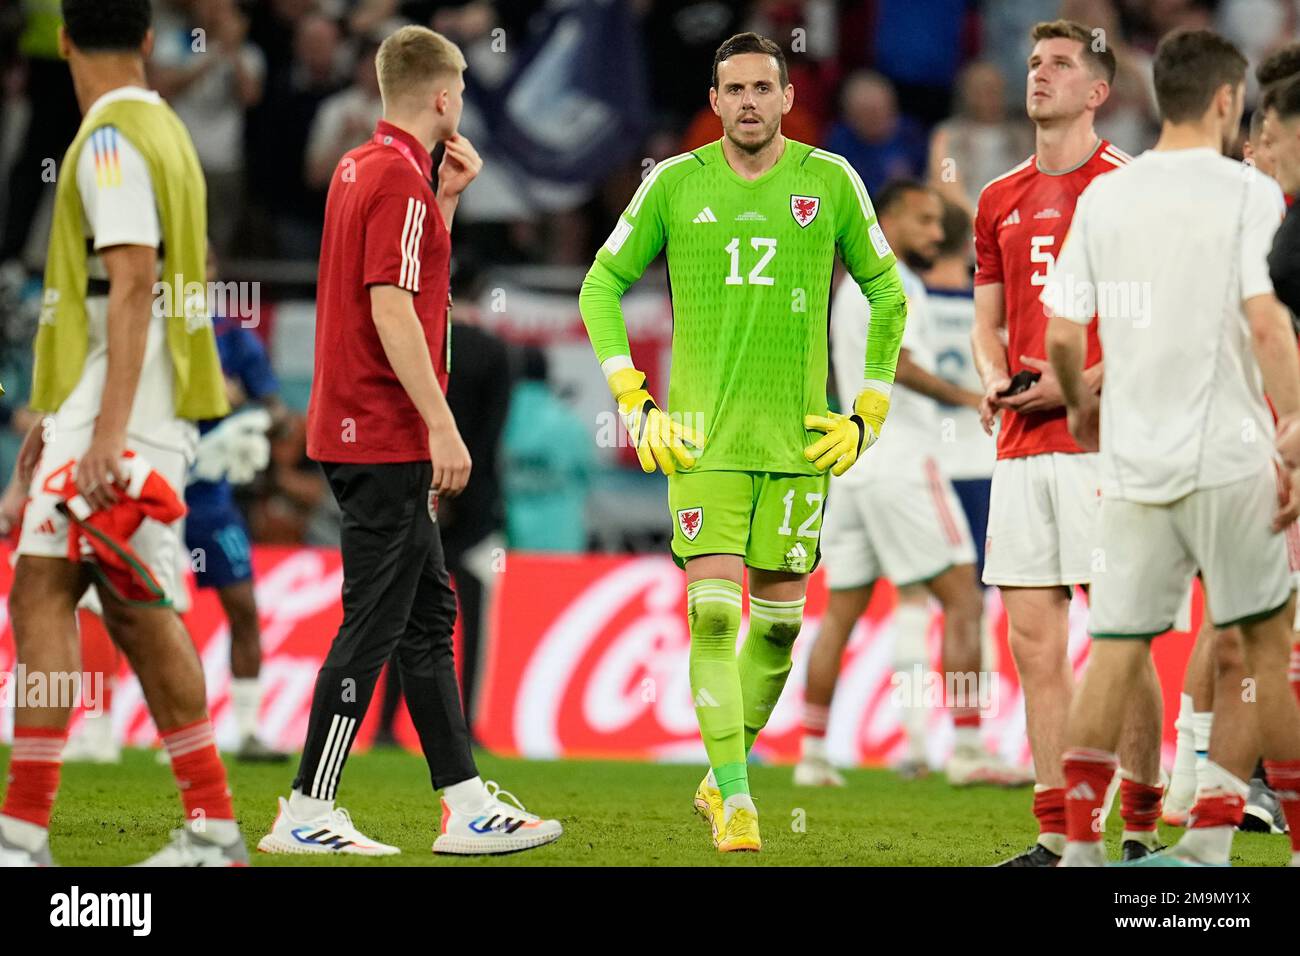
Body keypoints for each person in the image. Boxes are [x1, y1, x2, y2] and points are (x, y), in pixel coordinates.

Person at [579, 31, 907, 853]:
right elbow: (600, 284)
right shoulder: (673, 185)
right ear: (715, 100)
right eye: (736, 89)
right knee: (716, 621)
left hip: (800, 442)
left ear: (789, 98)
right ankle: (737, 797)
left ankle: (720, 774)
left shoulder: (829, 181)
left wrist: (868, 405)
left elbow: (888, 293)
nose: (751, 101)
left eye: (766, 87)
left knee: (779, 630)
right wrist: (632, 396)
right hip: (700, 440)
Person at [258, 24, 562, 858]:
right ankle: (306, 811)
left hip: (354, 426)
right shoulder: (395, 177)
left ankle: (465, 805)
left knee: (428, 617)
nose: (461, 103)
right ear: (441, 96)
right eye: (459, 91)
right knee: (377, 623)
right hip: (382, 433)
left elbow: (402, 284)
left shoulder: (365, 167)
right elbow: (393, 308)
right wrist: (440, 423)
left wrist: (449, 204)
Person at [0, 0, 245, 867]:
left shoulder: (104, 140)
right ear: (147, 40)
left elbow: (132, 281)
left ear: (63, 39)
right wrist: (56, 429)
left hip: (125, 402)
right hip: (134, 397)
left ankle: (26, 837)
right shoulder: (169, 131)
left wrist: (102, 434)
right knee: (119, 605)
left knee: (53, 592)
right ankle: (208, 829)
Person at [1049, 28, 1300, 868]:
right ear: (1230, 102)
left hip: (1132, 465)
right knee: (1261, 652)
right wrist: (1295, 440)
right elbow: (1267, 323)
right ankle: (1244, 841)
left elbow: (1059, 333)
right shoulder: (1248, 194)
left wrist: (1083, 406)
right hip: (1232, 460)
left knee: (1116, 651)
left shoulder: (1104, 196)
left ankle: (1090, 850)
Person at [970, 19, 1164, 867]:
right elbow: (987, 319)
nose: (1038, 75)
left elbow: (1154, 319)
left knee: (1118, 635)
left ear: (1098, 92)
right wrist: (988, 376)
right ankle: (1054, 835)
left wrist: (1082, 382)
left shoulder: (1126, 187)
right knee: (1033, 644)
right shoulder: (995, 197)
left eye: (1058, 65)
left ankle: (1141, 830)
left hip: (1100, 441)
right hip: (1018, 444)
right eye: (1033, 63)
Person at [795, 180, 1030, 789]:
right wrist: (972, 397)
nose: (935, 234)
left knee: (841, 611)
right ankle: (971, 749)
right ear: (890, 216)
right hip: (901, 460)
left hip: (851, 466)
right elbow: (896, 366)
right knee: (964, 600)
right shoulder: (889, 280)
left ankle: (813, 756)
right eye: (925, 221)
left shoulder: (852, 287)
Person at [184, 247, 288, 762]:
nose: (197, 274)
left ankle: (247, 730)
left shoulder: (228, 333)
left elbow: (276, 409)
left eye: (204, 266)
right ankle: (105, 728)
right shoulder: (143, 323)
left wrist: (248, 413)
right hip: (148, 485)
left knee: (243, 606)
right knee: (132, 614)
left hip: (208, 494)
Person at [502, 346, 594, 553]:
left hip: (509, 539)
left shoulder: (497, 419)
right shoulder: (569, 423)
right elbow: (587, 476)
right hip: (561, 537)